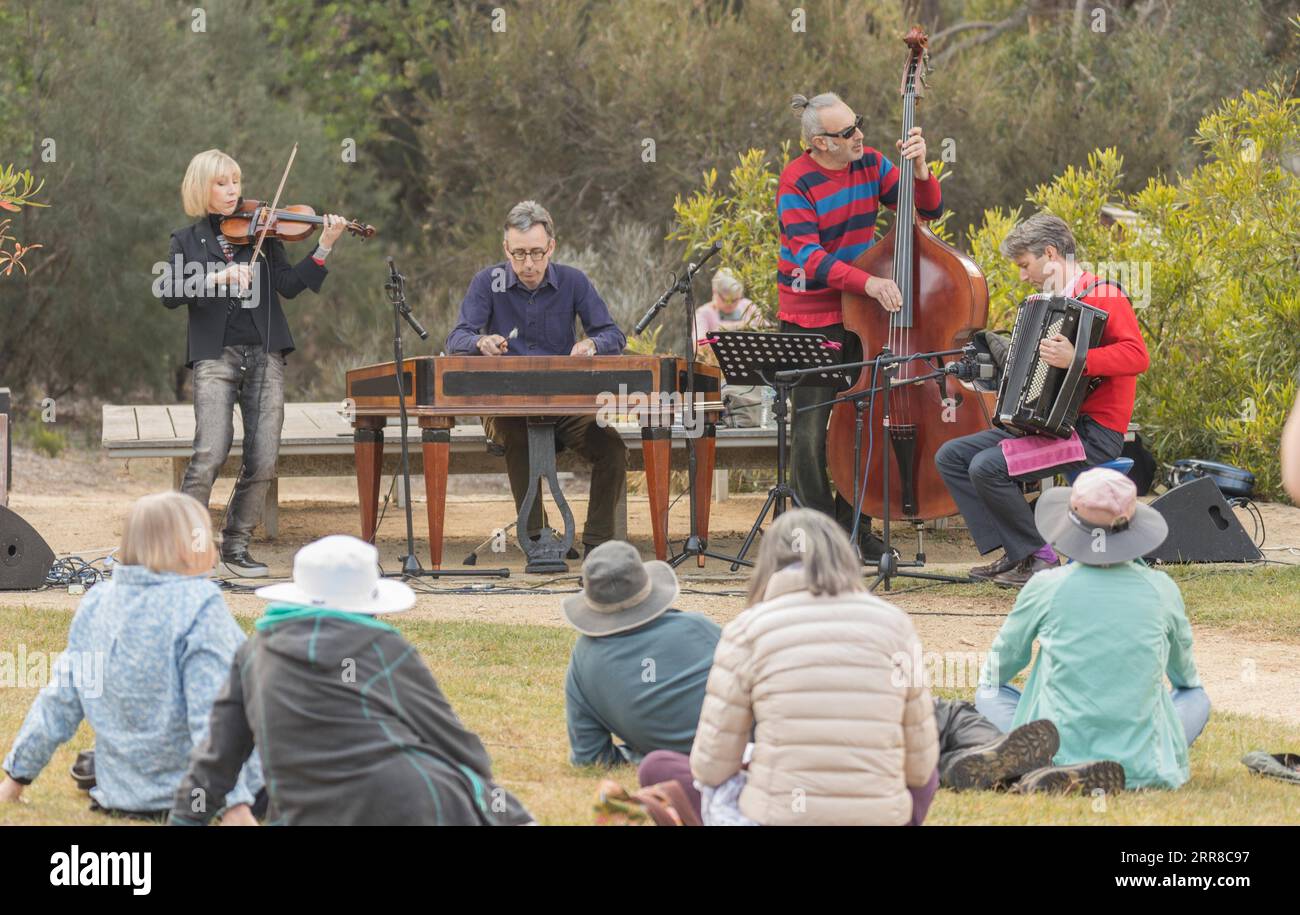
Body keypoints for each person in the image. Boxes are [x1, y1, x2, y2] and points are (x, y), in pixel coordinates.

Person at [169, 535, 532, 825]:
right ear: (369, 605)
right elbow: (453, 742)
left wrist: (185, 820)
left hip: (306, 814)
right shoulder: (382, 647)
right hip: (409, 804)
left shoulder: (252, 653)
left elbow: (217, 759)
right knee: (468, 784)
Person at [0, 492, 263, 823]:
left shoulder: (96, 603)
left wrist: (14, 781)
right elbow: (215, 715)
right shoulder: (200, 605)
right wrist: (235, 805)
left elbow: (58, 703)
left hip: (122, 794)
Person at [159, 148, 348, 578]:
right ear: (200, 187)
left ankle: (236, 546)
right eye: (221, 183)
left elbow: (289, 285)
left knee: (264, 456)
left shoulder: (266, 231)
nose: (232, 191)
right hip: (215, 356)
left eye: (236, 182)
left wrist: (323, 247)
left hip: (265, 352)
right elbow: (169, 292)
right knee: (210, 450)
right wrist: (215, 278)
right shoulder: (185, 240)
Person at [936, 212, 1150, 587]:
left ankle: (1040, 558)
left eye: (1025, 264)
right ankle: (1017, 553)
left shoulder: (1103, 294)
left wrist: (1078, 360)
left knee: (987, 467)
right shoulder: (1050, 305)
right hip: (1051, 428)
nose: (1022, 274)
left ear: (1050, 253)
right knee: (952, 457)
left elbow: (1137, 357)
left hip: (1090, 434)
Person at [688, 509, 938, 826]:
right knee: (928, 768)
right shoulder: (896, 625)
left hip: (778, 816)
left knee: (661, 765)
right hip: (879, 817)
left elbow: (711, 768)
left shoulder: (746, 629)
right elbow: (920, 769)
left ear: (767, 563)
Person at [777, 92, 944, 559]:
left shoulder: (870, 163)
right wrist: (868, 283)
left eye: (858, 124)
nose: (860, 135)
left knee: (864, 421)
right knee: (809, 430)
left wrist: (922, 169)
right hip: (811, 318)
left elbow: (926, 212)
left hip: (863, 318)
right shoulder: (796, 182)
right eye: (847, 131)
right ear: (819, 143)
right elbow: (808, 259)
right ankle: (817, 534)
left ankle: (857, 528)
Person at [976, 467, 1210, 790]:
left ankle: (1036, 759)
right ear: (1133, 526)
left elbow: (997, 671)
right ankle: (1147, 754)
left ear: (1068, 523)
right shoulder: (1162, 589)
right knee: (1196, 696)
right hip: (1144, 766)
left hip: (1055, 751)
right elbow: (1185, 678)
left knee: (987, 690)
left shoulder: (1046, 587)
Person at [445, 200, 627, 556]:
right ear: (505, 249)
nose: (528, 264)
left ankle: (597, 544)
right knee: (519, 436)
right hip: (505, 404)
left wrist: (591, 344)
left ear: (552, 247)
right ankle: (539, 539)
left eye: (536, 253)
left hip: (564, 402)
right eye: (519, 254)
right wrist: (480, 342)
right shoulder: (487, 282)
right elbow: (456, 339)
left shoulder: (573, 281)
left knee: (612, 447)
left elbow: (614, 336)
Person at [561, 541, 721, 810]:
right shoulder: (700, 628)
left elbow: (590, 757)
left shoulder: (583, 661)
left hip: (675, 768)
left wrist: (636, 751)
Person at [694, 268, 764, 361]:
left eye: (735, 300)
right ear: (715, 291)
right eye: (726, 300)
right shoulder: (704, 313)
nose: (730, 304)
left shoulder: (748, 306)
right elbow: (699, 344)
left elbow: (767, 330)